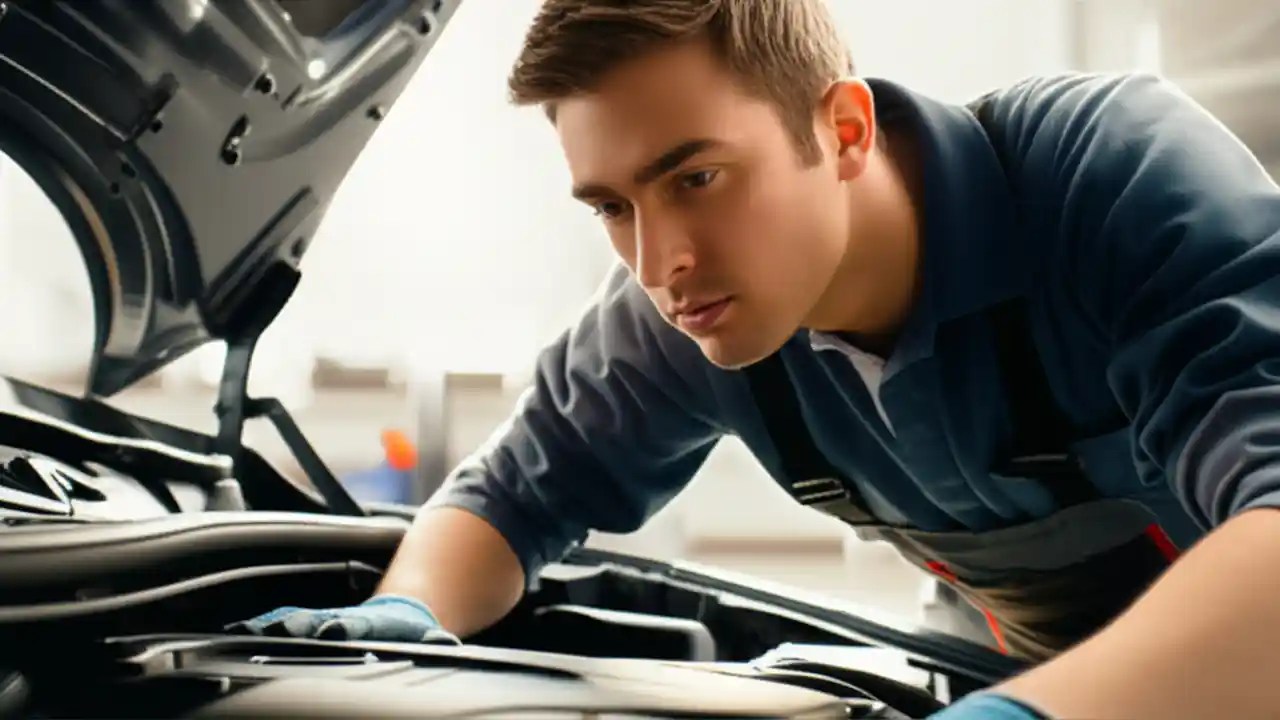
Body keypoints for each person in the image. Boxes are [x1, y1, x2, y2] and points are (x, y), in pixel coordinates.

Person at [229, 1, 1280, 717]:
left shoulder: (1105, 184)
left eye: (695, 178)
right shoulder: (686, 310)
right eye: (609, 206)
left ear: (844, 129)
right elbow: (509, 497)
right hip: (1016, 678)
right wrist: (405, 617)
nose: (658, 263)